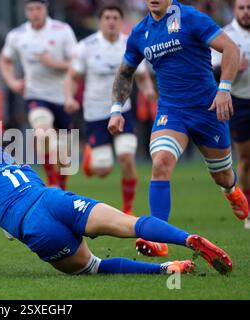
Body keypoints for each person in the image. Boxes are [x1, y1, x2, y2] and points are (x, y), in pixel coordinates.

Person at [0, 147, 233, 277]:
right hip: (55, 199)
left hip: (35, 226)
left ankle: (163, 269)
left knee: (92, 267)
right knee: (133, 223)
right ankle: (187, 238)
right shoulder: (25, 169)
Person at [108, 0, 248, 257]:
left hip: (208, 110)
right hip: (171, 112)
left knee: (222, 176)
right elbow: (125, 73)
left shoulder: (191, 18)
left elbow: (230, 49)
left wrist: (224, 89)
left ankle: (230, 190)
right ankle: (158, 238)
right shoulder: (140, 32)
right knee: (160, 163)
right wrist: (116, 108)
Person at [64, 5, 156, 215]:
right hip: (95, 114)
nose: (111, 21)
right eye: (107, 18)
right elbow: (72, 76)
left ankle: (128, 208)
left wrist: (148, 91)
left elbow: (141, 76)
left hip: (123, 112)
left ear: (121, 21)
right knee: (103, 170)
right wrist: (69, 98)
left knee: (126, 157)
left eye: (115, 17)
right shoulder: (86, 46)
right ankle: (90, 157)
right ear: (100, 21)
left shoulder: (129, 44)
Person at [0, 0, 77, 190]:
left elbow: (77, 64)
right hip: (35, 95)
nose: (35, 13)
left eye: (38, 8)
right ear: (26, 11)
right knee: (43, 133)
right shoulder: (17, 35)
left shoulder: (62, 30)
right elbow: (5, 60)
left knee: (64, 156)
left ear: (46, 9)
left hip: (63, 96)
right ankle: (52, 185)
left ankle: (62, 189)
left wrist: (53, 63)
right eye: (31, 9)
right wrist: (12, 81)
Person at [212, 0, 250, 230]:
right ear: (235, 10)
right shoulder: (226, 35)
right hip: (238, 102)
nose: (246, 12)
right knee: (246, 157)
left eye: (249, 8)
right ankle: (247, 209)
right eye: (242, 8)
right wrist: (234, 66)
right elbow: (214, 69)